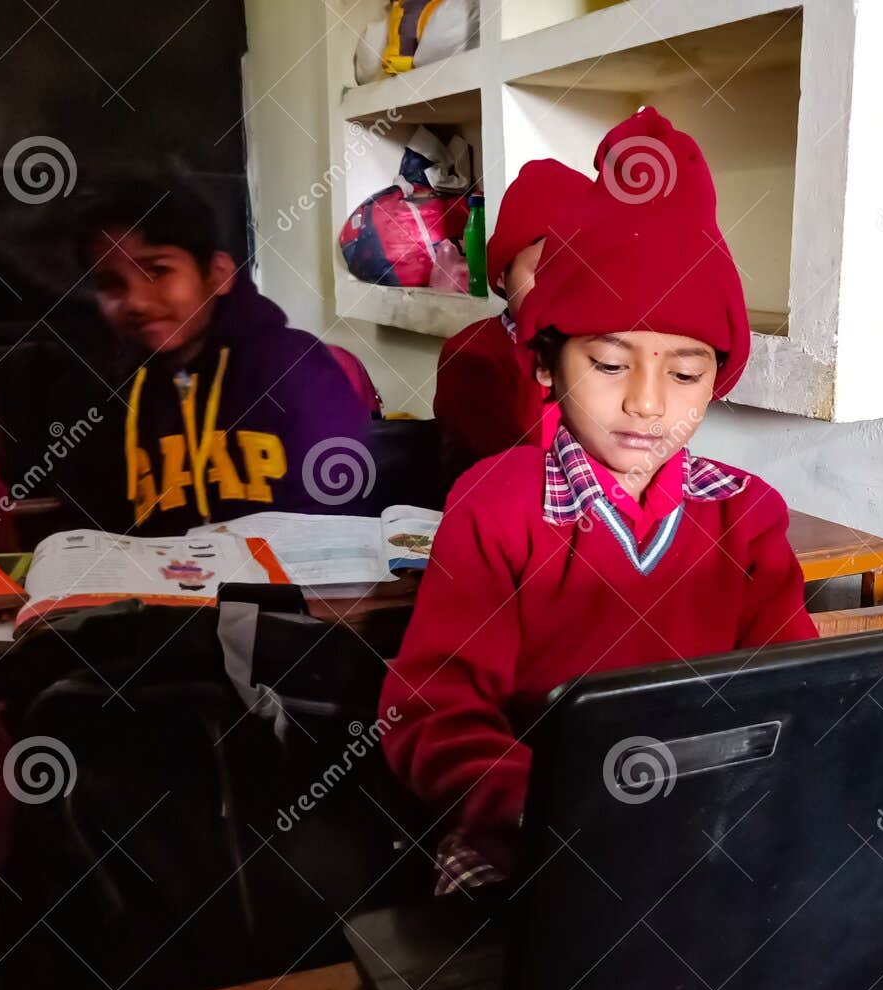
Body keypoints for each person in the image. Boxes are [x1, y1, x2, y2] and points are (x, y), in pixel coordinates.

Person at [381, 108, 817, 892]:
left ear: (718, 379)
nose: (649, 405)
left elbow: (797, 692)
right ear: (545, 362)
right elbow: (429, 711)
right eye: (611, 365)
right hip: (536, 845)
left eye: (685, 374)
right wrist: (538, 803)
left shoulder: (746, 515)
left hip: (711, 838)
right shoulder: (495, 508)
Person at [62, 179, 373, 535]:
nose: (136, 301)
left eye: (157, 270)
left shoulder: (295, 370)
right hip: (151, 587)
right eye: (111, 284)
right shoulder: (103, 391)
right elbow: (93, 526)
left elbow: (339, 515)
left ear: (219, 274)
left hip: (285, 585)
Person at [432, 159, 591, 475]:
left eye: (581, 271)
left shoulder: (609, 352)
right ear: (503, 276)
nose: (557, 288)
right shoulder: (471, 356)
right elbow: (514, 475)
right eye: (542, 270)